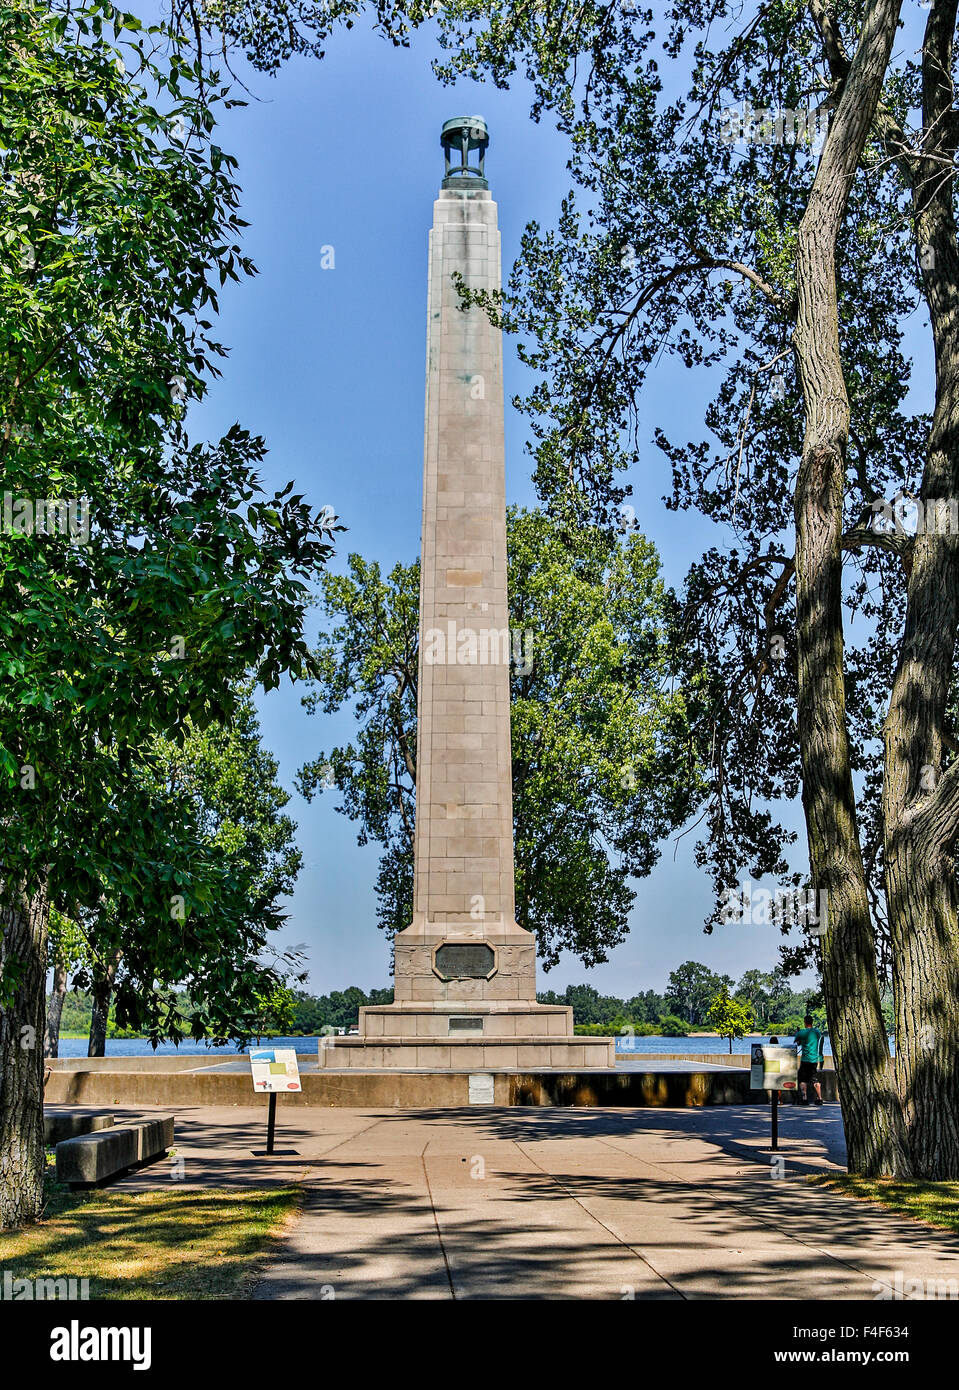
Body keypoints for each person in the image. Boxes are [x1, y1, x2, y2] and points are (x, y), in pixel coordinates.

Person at [791, 1014, 825, 1105]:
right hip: (814, 1059)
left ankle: (804, 1098)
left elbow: (796, 1042)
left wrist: (797, 1033)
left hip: (805, 1059)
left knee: (802, 1079)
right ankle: (820, 1098)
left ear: (805, 1022)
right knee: (814, 1078)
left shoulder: (802, 1032)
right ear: (812, 1022)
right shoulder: (817, 1032)